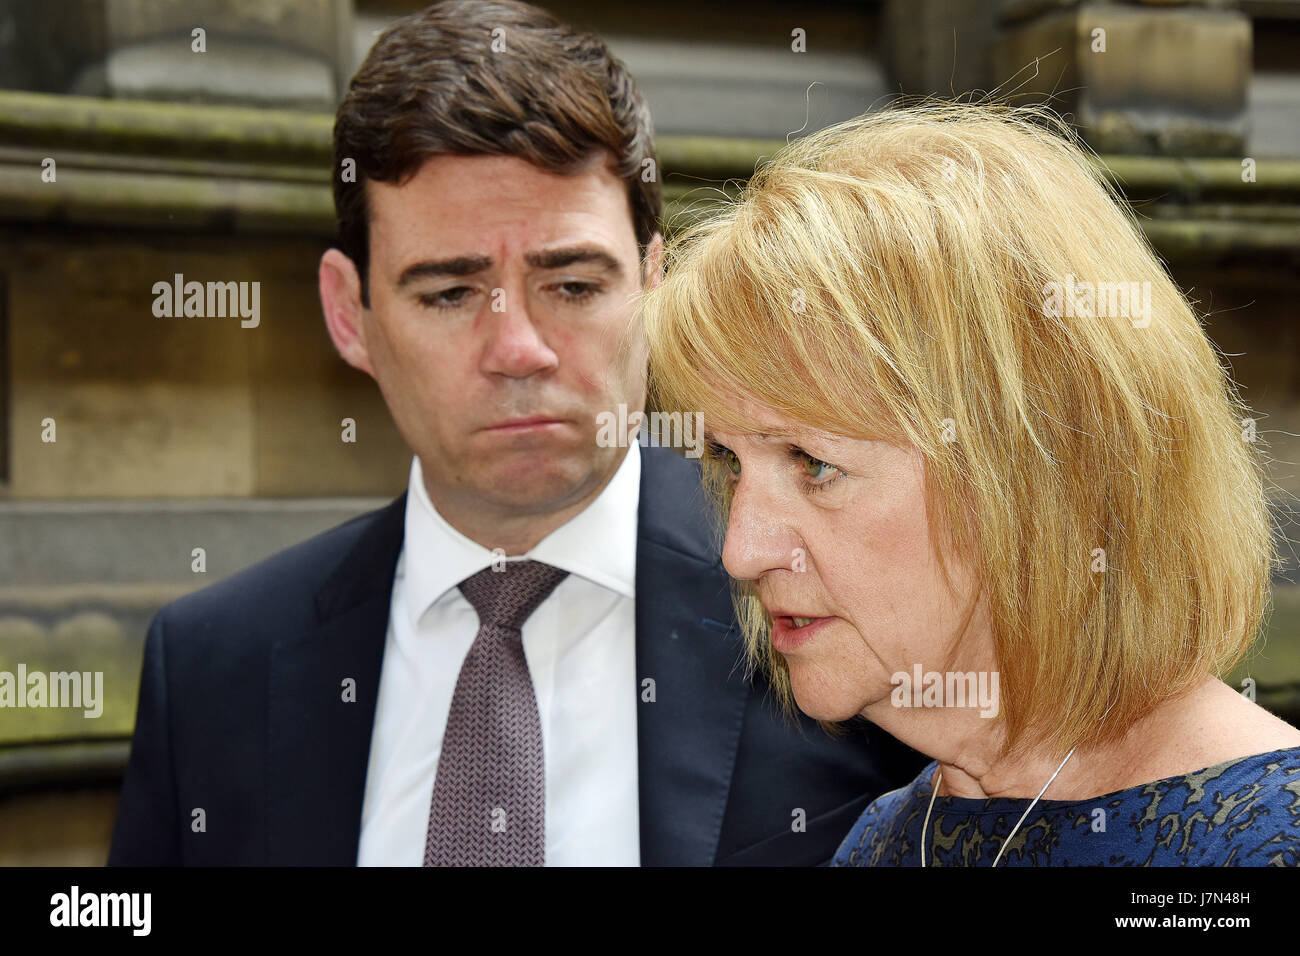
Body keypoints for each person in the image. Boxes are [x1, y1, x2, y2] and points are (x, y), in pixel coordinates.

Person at [107, 0, 926, 867]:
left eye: (571, 285)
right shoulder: (212, 669)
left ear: (654, 283)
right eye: (450, 294)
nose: (519, 350)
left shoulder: (835, 597)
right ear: (350, 316)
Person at [638, 103, 1300, 866]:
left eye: (813, 464)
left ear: (1031, 477)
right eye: (727, 462)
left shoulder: (1262, 844)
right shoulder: (890, 839)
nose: (741, 551)